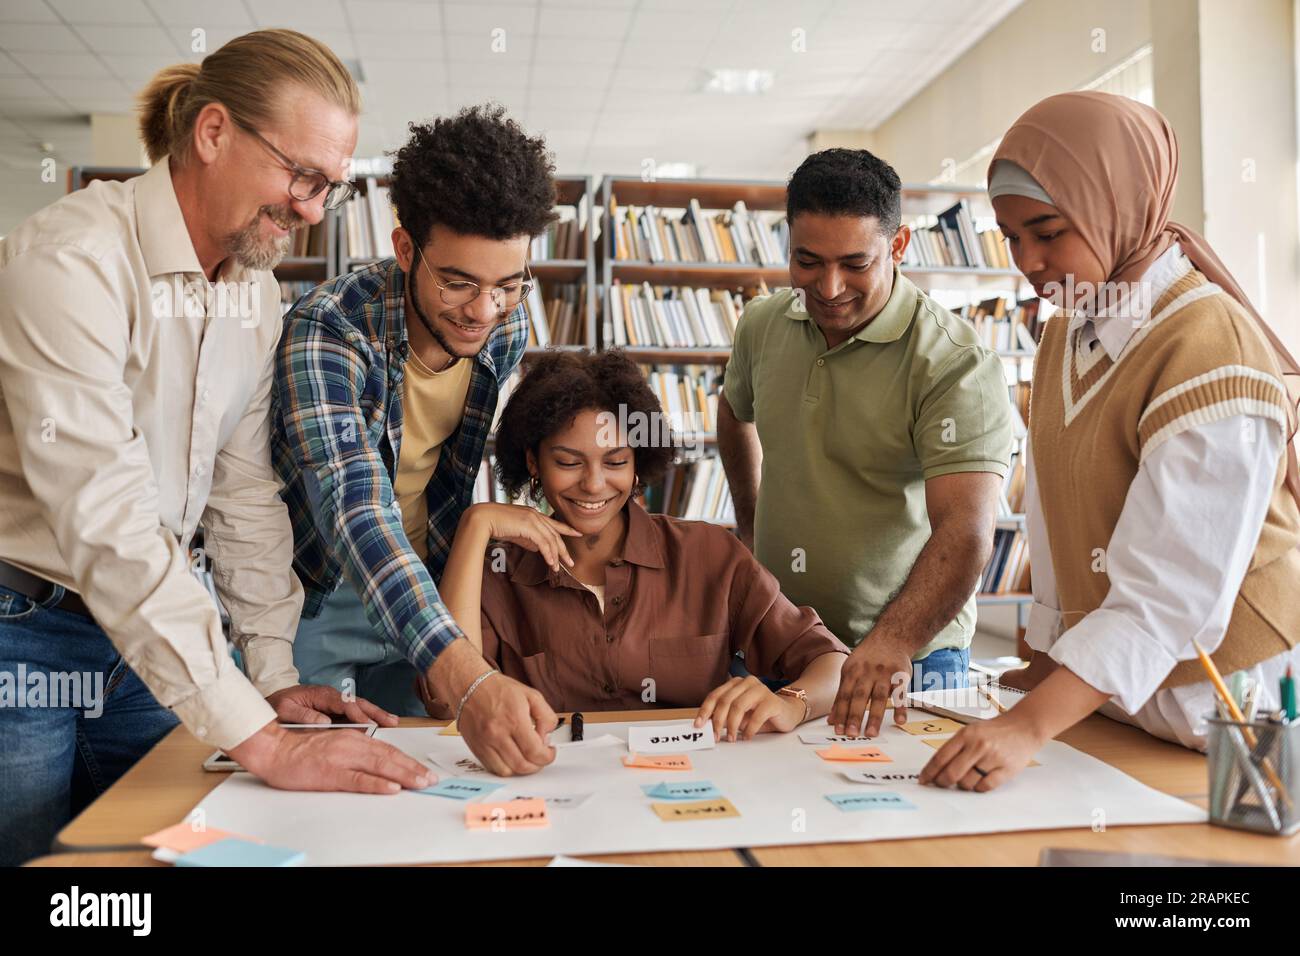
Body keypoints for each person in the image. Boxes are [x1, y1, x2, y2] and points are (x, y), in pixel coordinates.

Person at [0, 30, 432, 867]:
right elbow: (106, 519)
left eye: (328, 188)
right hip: (20, 631)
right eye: (300, 175)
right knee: (37, 870)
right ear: (212, 133)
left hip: (145, 640)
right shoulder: (69, 263)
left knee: (162, 859)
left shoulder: (255, 294)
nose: (311, 209)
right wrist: (261, 738)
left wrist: (270, 675)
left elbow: (240, 495)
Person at [921, 91, 1300, 793]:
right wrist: (1039, 667)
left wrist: (1032, 724)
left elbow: (1173, 590)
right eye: (1011, 237)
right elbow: (1057, 516)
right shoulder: (1067, 327)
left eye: (1049, 230)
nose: (1028, 261)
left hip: (1228, 712)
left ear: (1117, 206)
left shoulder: (1209, 345)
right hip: (1113, 701)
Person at [273, 105, 564, 777]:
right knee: (319, 786)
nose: (484, 313)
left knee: (425, 779)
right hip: (317, 590)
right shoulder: (329, 331)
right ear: (406, 250)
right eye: (458, 282)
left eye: (507, 286)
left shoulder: (503, 330)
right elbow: (354, 507)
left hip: (419, 586)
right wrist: (466, 671)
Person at [717, 148, 1014, 740]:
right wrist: (748, 523)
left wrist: (893, 641)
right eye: (808, 261)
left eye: (855, 263)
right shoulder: (761, 325)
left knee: (896, 821)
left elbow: (966, 530)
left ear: (899, 246)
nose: (828, 288)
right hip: (782, 642)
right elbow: (734, 411)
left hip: (908, 659)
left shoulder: (954, 364)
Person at [434, 349, 850, 741]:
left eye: (615, 462)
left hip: (689, 785)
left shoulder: (707, 555)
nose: (594, 484)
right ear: (533, 462)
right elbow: (447, 701)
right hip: (553, 788)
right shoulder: (497, 570)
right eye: (568, 462)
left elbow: (832, 661)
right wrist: (475, 524)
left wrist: (791, 703)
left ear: (637, 464)